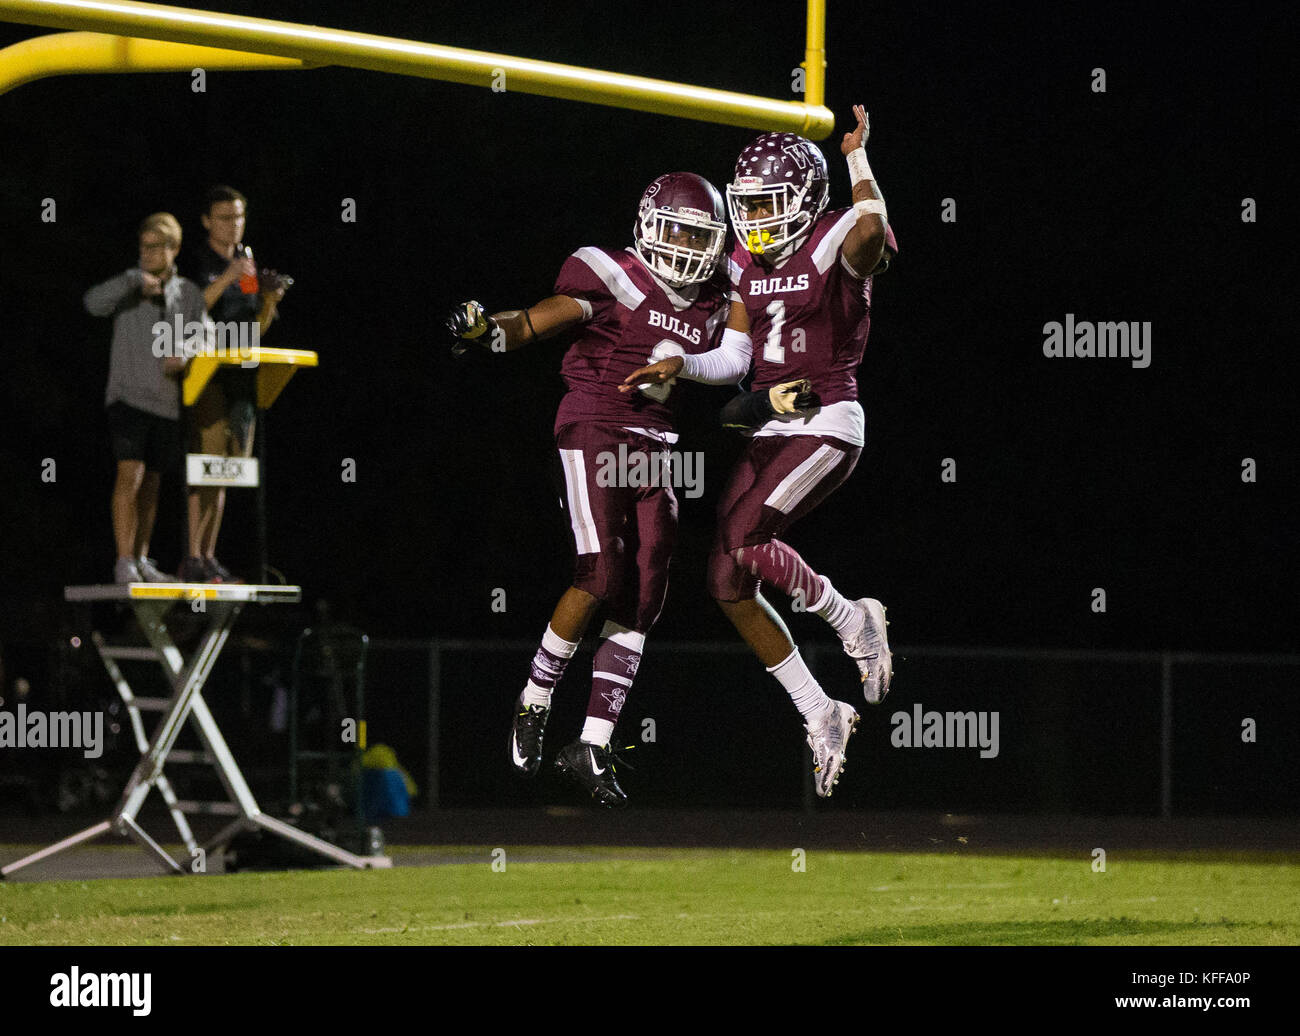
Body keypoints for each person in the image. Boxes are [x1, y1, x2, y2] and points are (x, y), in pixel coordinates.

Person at [624, 106, 898, 797]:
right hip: (770, 422)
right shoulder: (744, 261)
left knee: (746, 539)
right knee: (724, 580)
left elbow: (873, 234)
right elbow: (737, 357)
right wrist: (680, 365)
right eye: (748, 206)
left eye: (771, 204)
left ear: (807, 200)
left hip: (827, 416)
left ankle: (852, 618)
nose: (757, 219)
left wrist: (857, 159)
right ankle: (820, 711)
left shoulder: (838, 232)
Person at [447, 173, 730, 807]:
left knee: (650, 584)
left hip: (658, 441)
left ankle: (593, 742)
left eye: (700, 234)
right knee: (601, 573)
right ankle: (536, 696)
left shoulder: (717, 297)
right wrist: (484, 330)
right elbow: (531, 323)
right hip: (596, 423)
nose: (688, 244)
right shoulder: (611, 274)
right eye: (680, 228)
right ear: (652, 225)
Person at [84, 212, 207, 584]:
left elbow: (207, 334)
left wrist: (186, 350)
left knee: (152, 483)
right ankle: (123, 560)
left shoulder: (187, 293)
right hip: (127, 397)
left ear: (175, 249)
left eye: (155, 248)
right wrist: (131, 280)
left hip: (165, 403)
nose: (147, 254)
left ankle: (141, 557)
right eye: (143, 247)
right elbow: (92, 303)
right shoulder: (129, 285)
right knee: (130, 474)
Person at [181, 185, 287, 583]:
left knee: (229, 466)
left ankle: (209, 556)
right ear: (208, 221)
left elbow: (254, 329)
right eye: (225, 217)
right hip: (208, 372)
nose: (234, 225)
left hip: (244, 371)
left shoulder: (247, 261)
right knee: (207, 462)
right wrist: (227, 276)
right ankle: (191, 555)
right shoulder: (198, 261)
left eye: (239, 217)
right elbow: (191, 308)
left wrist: (270, 299)